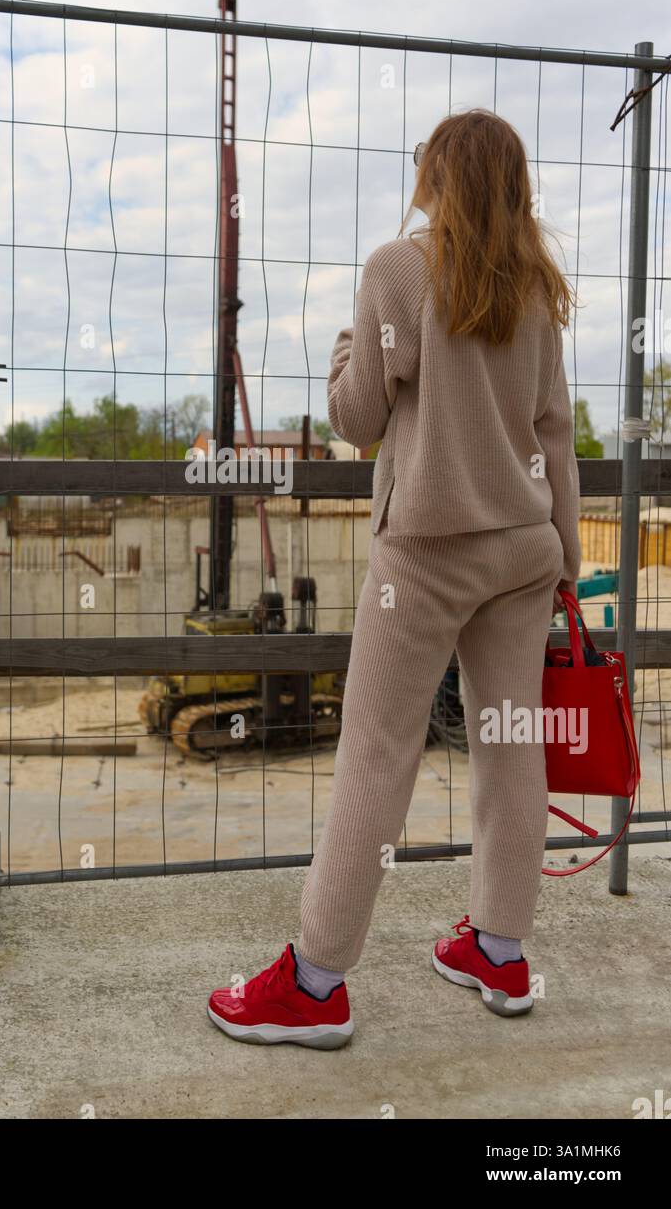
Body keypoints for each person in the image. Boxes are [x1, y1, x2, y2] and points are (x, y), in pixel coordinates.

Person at [207, 108, 581, 1048]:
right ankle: (498, 952)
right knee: (509, 748)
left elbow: (356, 419)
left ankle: (316, 982)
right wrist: (566, 559)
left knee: (376, 751)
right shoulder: (535, 289)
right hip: (522, 553)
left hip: (421, 554)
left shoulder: (398, 269)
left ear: (434, 178)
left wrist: (345, 349)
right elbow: (553, 433)